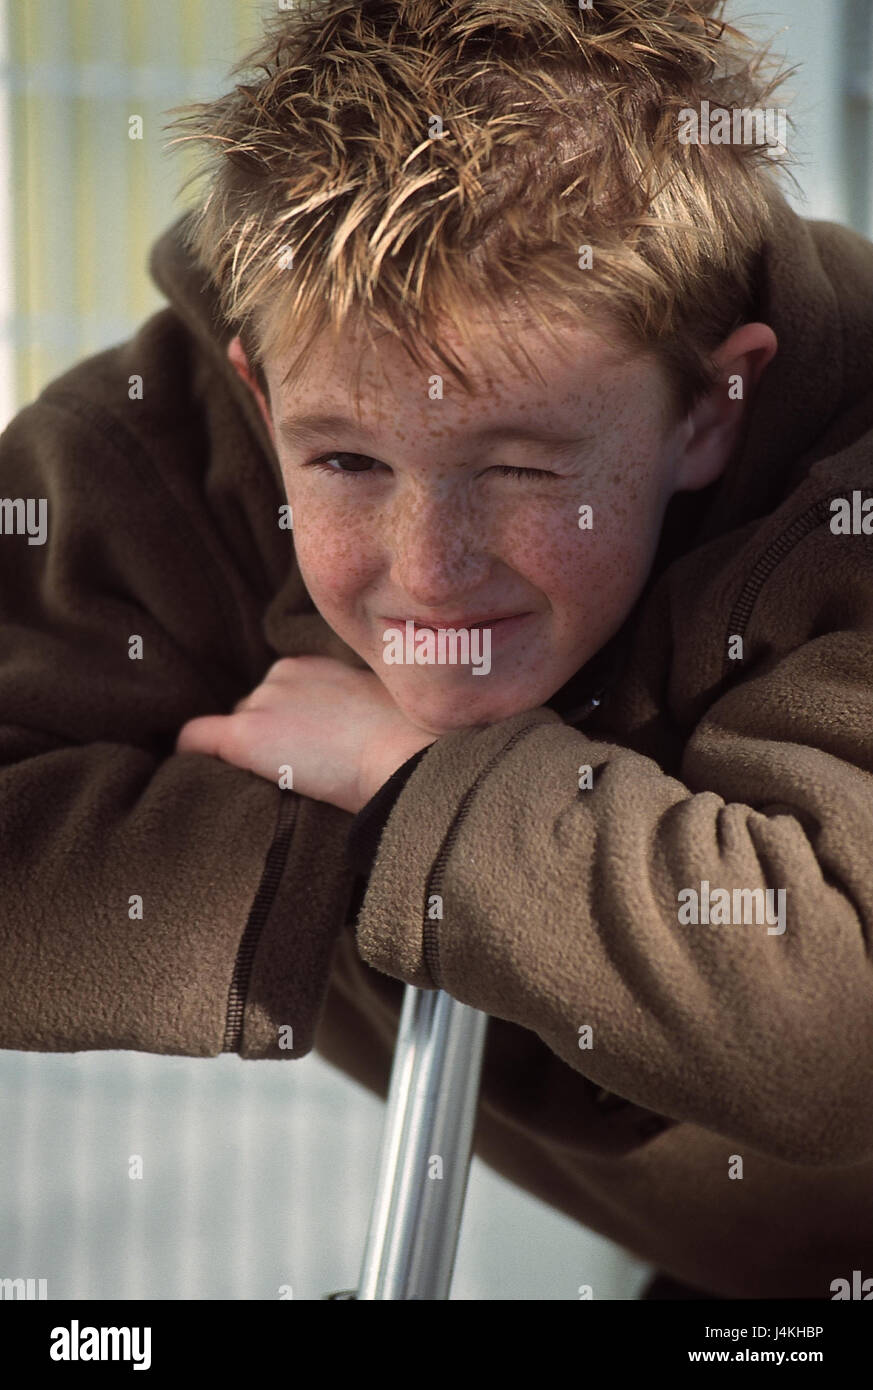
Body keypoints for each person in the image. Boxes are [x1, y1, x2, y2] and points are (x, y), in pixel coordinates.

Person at [2, 0, 872, 1301]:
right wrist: (355, 852)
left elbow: (827, 1014)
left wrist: (404, 778)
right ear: (257, 390)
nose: (426, 569)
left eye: (520, 468)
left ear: (711, 401)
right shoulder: (166, 444)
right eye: (344, 460)